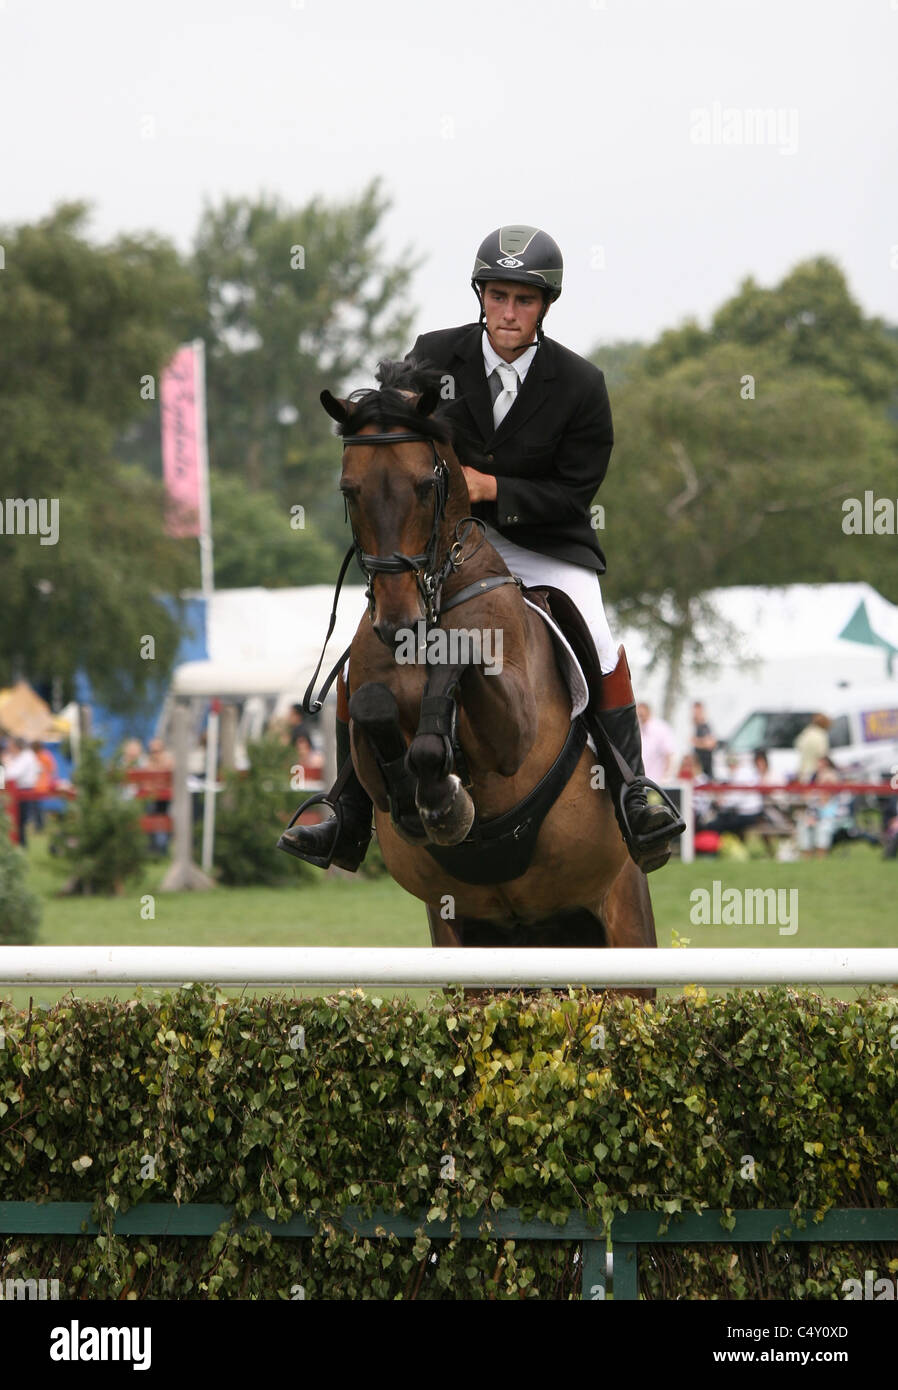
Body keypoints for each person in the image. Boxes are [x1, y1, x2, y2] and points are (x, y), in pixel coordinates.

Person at [280, 224, 684, 874]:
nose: (508, 312)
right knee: (370, 647)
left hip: (542, 544)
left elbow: (574, 494)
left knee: (601, 642)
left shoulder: (580, 384)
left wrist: (491, 486)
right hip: (445, 542)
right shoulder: (437, 354)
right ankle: (347, 807)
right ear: (481, 296)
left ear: (544, 306)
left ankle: (634, 791)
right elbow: (399, 427)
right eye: (498, 296)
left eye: (523, 300)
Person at [794, 714, 831, 782]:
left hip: (803, 769)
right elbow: (822, 756)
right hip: (815, 772)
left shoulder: (806, 732)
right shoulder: (821, 735)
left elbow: (798, 746)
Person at [691, 701, 716, 778]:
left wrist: (697, 742)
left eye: (698, 711)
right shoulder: (694, 727)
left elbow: (710, 744)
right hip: (696, 768)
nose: (696, 714)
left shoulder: (705, 726)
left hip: (706, 768)